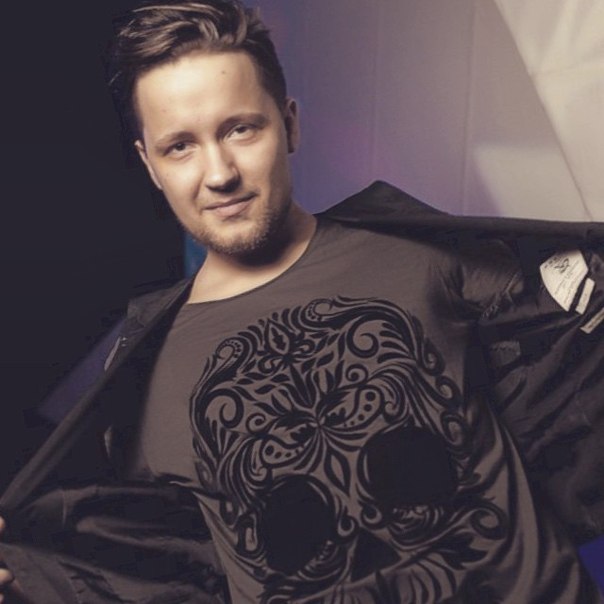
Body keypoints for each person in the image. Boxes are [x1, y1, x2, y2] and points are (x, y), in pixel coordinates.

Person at [0, 1, 603, 602]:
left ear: (288, 124)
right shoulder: (138, 381)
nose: (219, 173)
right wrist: (25, 574)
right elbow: (145, 571)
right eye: (180, 146)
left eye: (240, 129)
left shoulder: (428, 260)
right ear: (149, 165)